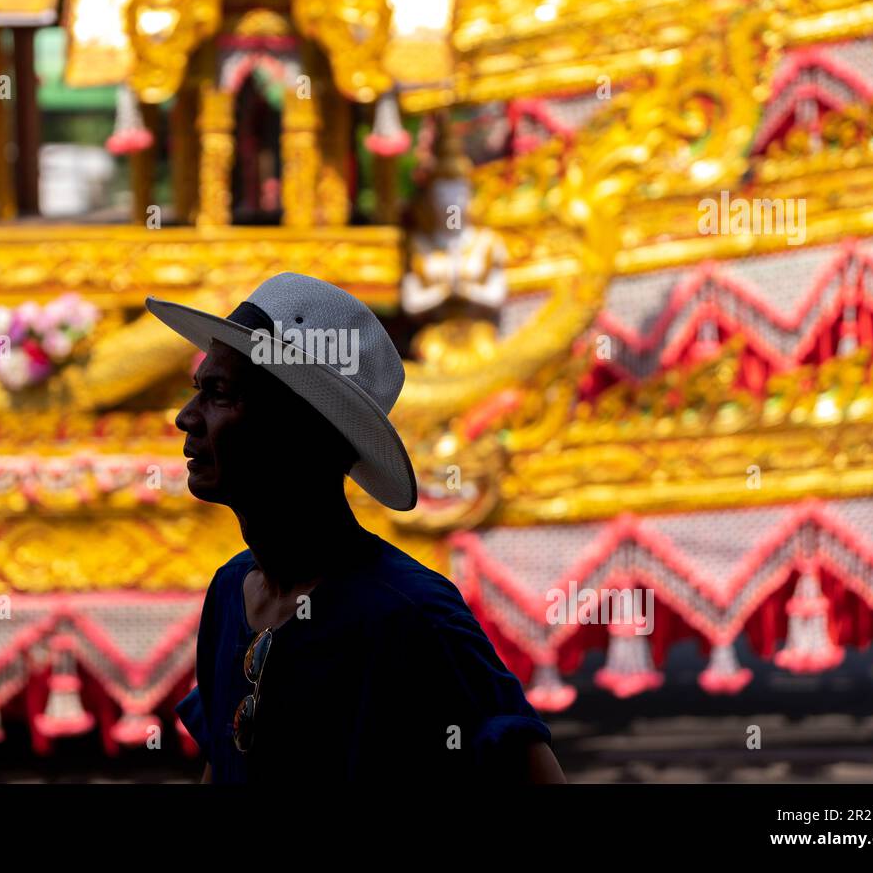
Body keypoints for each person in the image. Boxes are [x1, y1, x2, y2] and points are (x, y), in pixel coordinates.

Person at [146, 272, 564, 783]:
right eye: (198, 390)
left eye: (219, 394)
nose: (187, 417)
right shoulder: (233, 590)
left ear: (295, 428)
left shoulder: (409, 613)